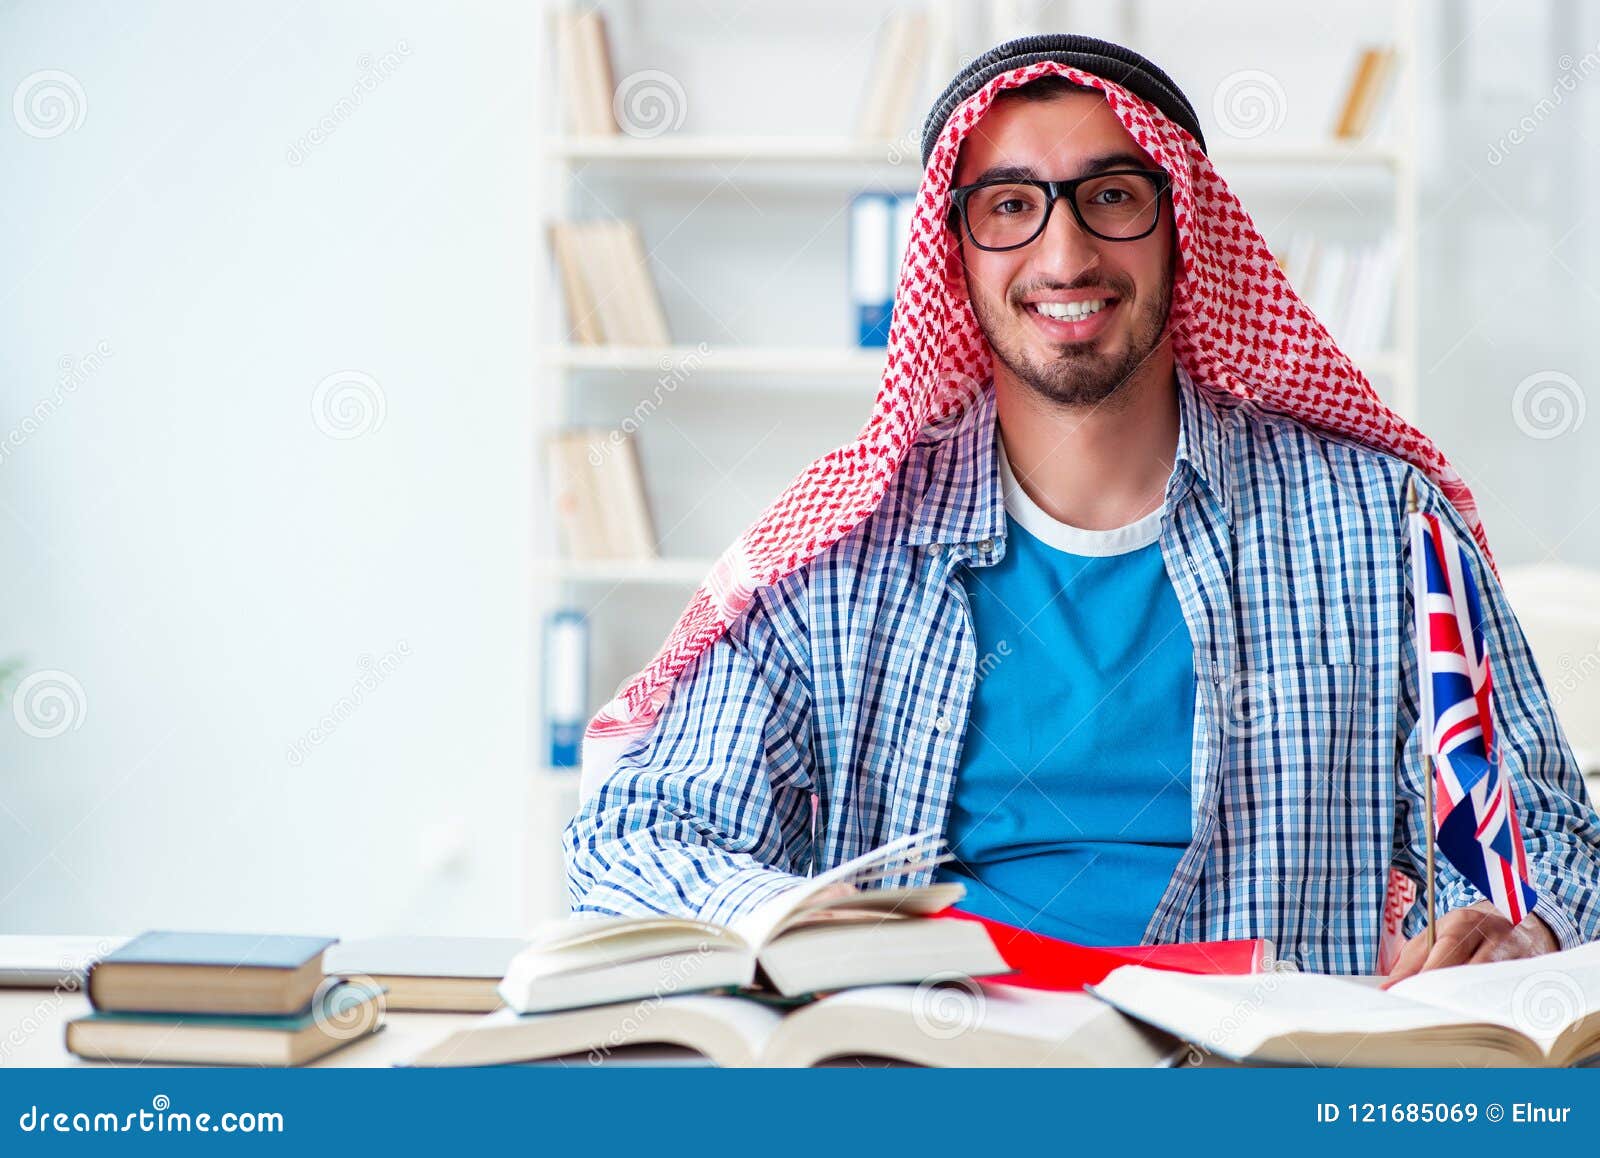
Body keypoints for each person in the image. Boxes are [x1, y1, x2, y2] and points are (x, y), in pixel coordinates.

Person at [563, 35, 1600, 976]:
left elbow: (1542, 841)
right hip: (938, 1077)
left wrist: (1524, 929)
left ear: (1179, 228)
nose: (1063, 258)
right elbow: (635, 838)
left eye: (1109, 197)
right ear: (952, 255)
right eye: (1009, 206)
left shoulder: (1380, 525)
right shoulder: (841, 555)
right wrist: (803, 924)